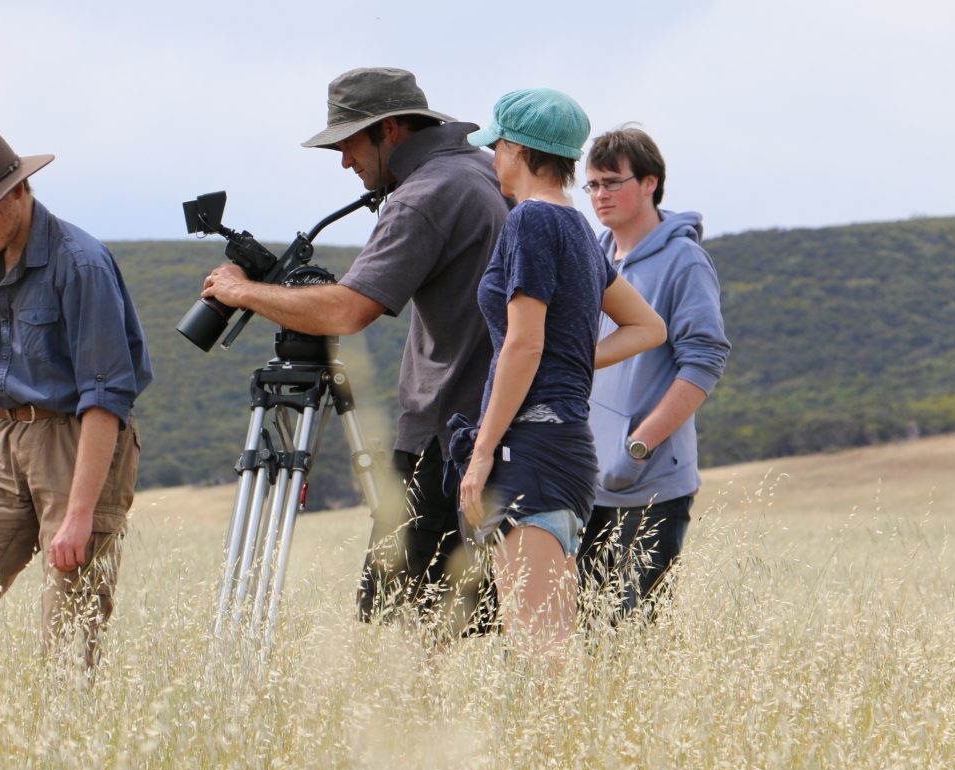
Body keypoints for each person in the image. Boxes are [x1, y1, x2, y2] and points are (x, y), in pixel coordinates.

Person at [202, 67, 510, 637]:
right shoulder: (481, 170)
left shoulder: (424, 195)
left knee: (397, 633)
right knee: (475, 629)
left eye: (347, 143)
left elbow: (348, 310)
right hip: (500, 426)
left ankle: (417, 727)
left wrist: (240, 291)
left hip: (448, 436)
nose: (345, 162)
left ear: (389, 129)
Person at [0, 125, 152, 673]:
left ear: (18, 191)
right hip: (9, 444)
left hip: (81, 442)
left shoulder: (81, 263)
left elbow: (106, 396)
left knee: (69, 636)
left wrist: (80, 514)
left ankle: (69, 756)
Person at [450, 89, 666, 665]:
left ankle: (553, 755)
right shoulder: (575, 228)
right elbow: (646, 327)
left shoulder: (531, 222)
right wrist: (569, 361)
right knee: (547, 640)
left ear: (518, 149)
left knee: (540, 648)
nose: (492, 158)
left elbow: (523, 342)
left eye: (496, 146)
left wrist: (481, 453)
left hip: (533, 447)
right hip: (565, 446)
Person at [575, 126, 731, 620]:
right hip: (586, 479)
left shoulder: (684, 260)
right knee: (583, 632)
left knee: (635, 632)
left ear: (650, 183)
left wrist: (638, 447)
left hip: (651, 482)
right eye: (594, 185)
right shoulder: (592, 257)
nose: (601, 195)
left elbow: (704, 361)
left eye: (613, 182)